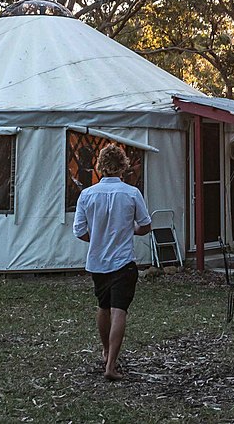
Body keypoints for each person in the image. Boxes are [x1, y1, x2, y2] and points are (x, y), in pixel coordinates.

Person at [73, 144, 151, 381]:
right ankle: (111, 366)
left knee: (103, 306)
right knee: (120, 311)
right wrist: (133, 230)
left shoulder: (87, 195)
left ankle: (106, 350)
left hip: (98, 262)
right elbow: (145, 224)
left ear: (100, 166)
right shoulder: (131, 193)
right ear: (123, 167)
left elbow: (79, 230)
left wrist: (97, 238)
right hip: (123, 261)